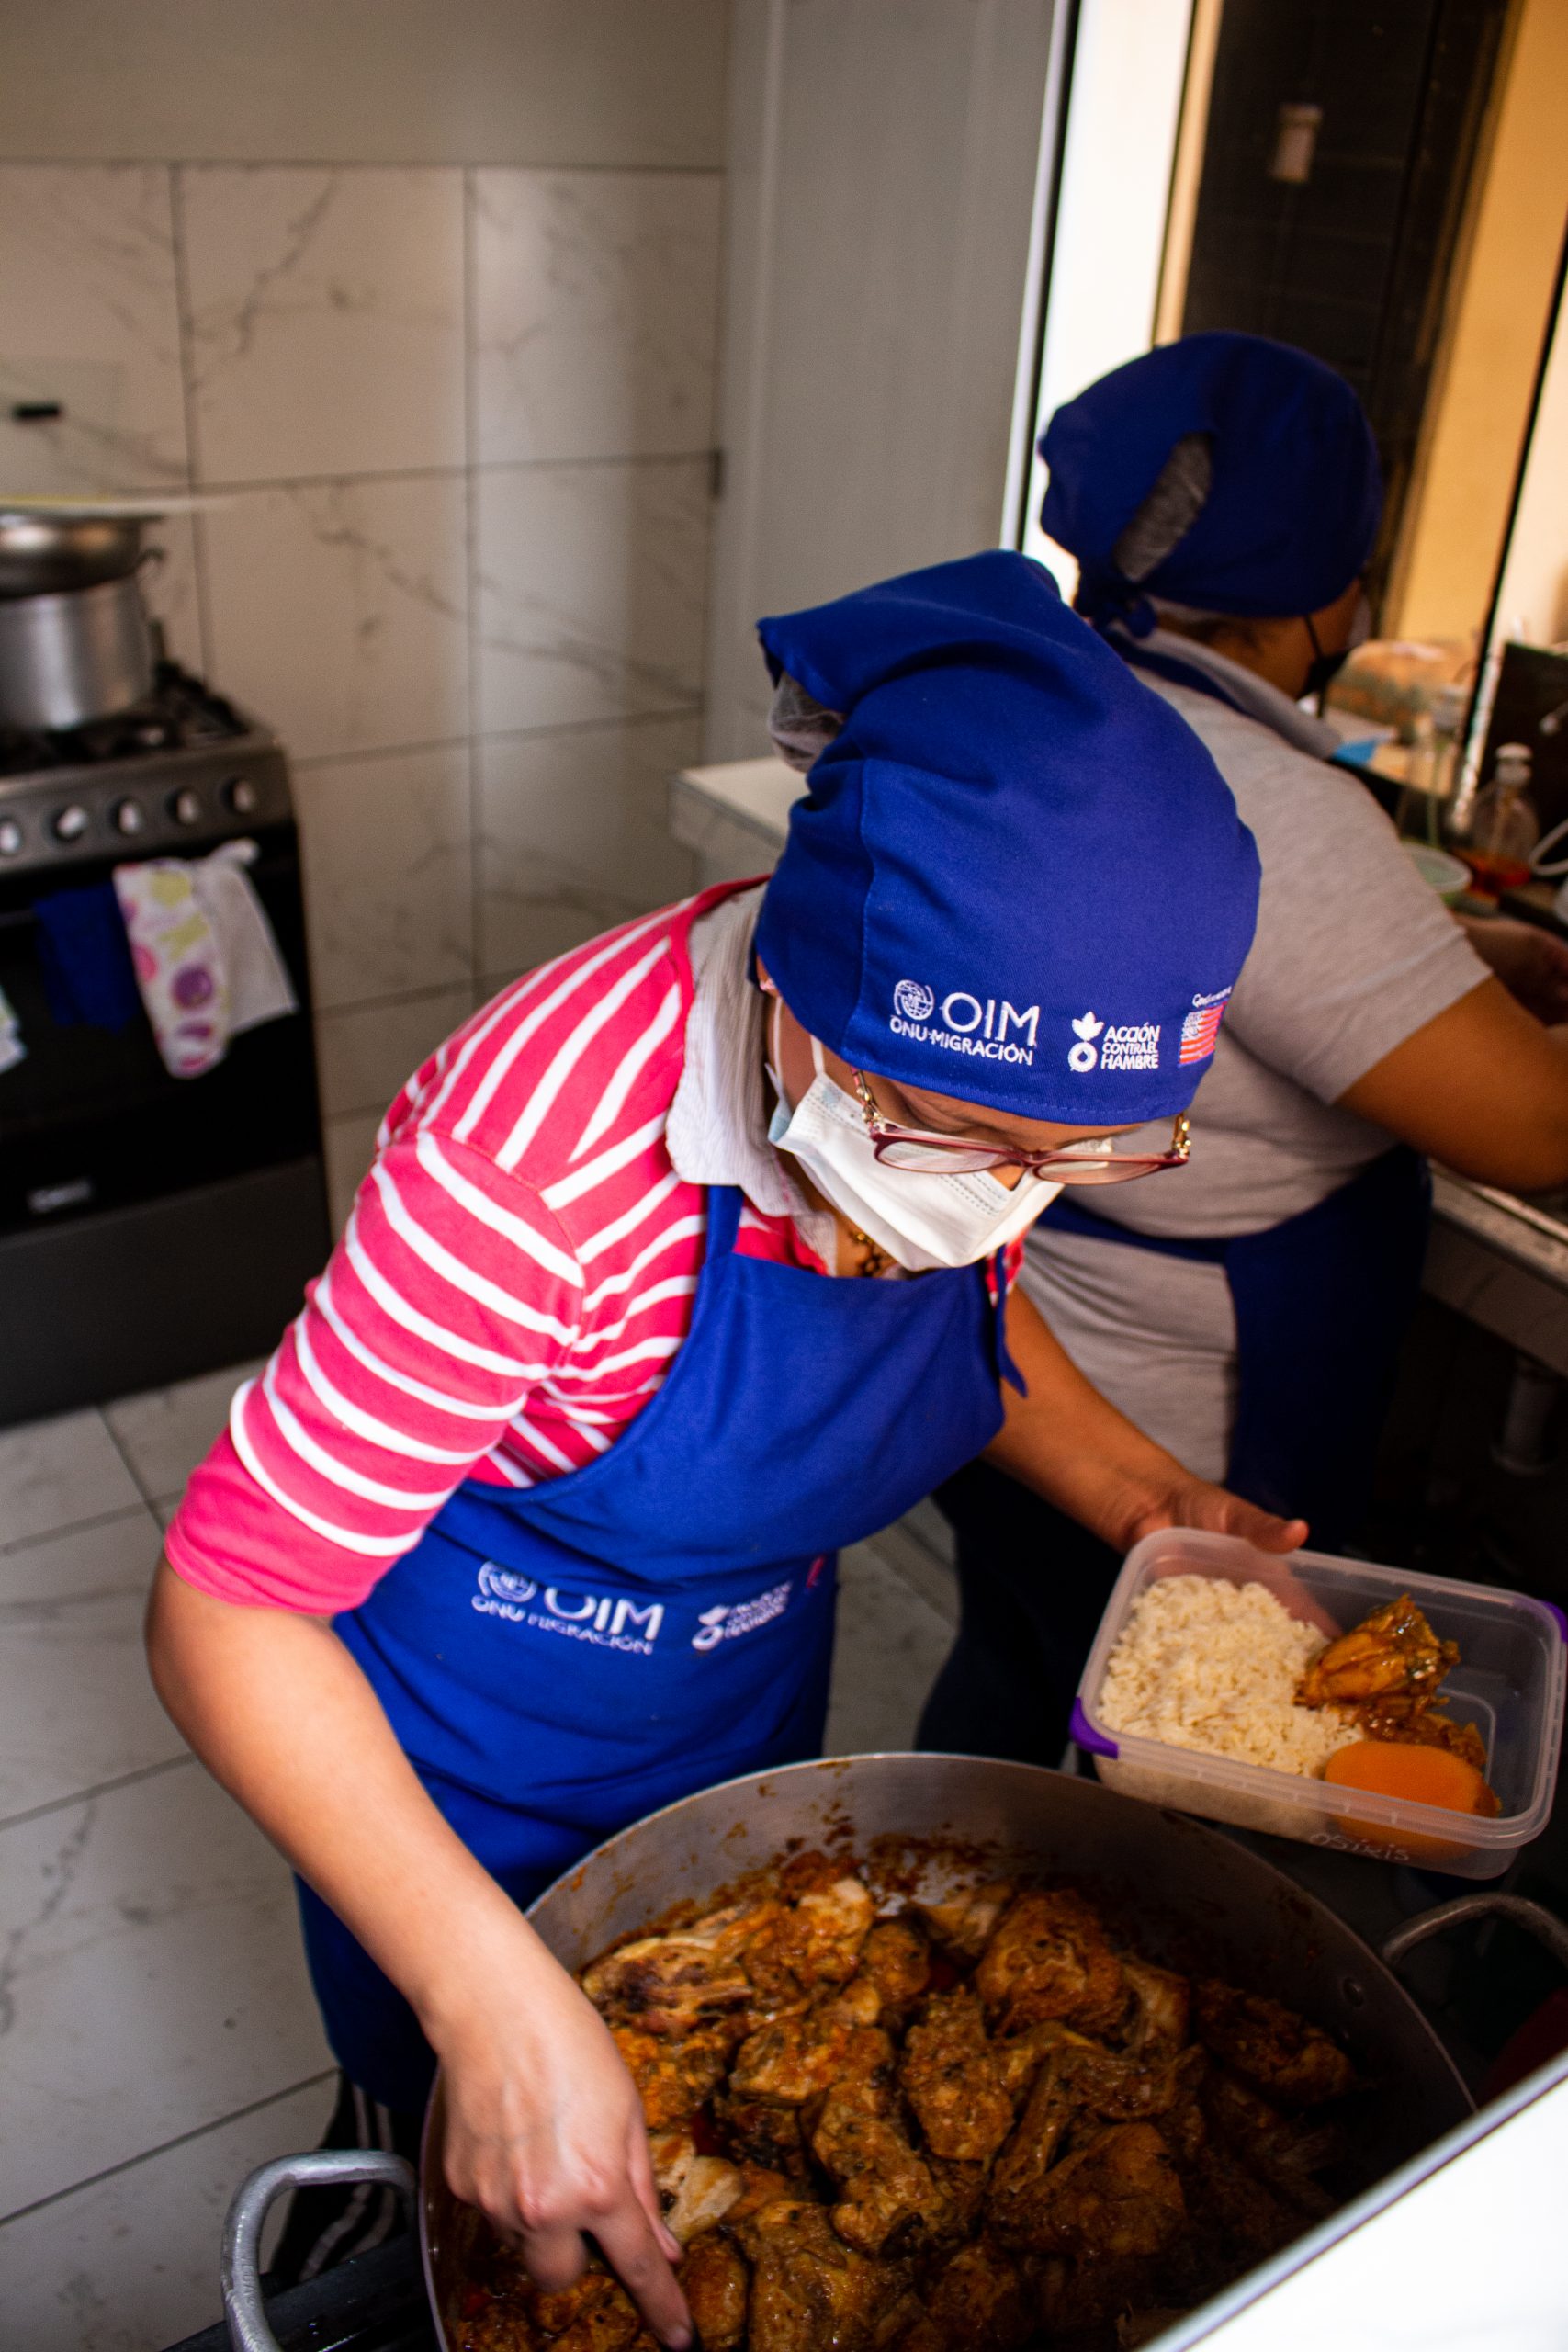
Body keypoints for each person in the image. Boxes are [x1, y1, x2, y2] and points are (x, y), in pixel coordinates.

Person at [146, 551, 1287, 2343]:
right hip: (459, 1780)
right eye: (950, 1134)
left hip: (733, 1723)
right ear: (794, 995)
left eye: (1062, 1160)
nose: (991, 1199)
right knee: (475, 2182)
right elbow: (226, 1607)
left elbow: (971, 1313)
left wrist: (1143, 1493)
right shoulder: (530, 1167)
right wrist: (481, 1989)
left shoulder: (957, 1130)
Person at [919, 334, 1568, 1770]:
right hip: (1176, 1432)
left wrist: (1459, 956)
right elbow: (1540, 1132)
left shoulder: (1047, 716)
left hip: (1002, 1367)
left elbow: (1262, 967)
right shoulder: (1269, 806)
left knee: (1018, 1669)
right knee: (1154, 1774)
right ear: (1329, 589)